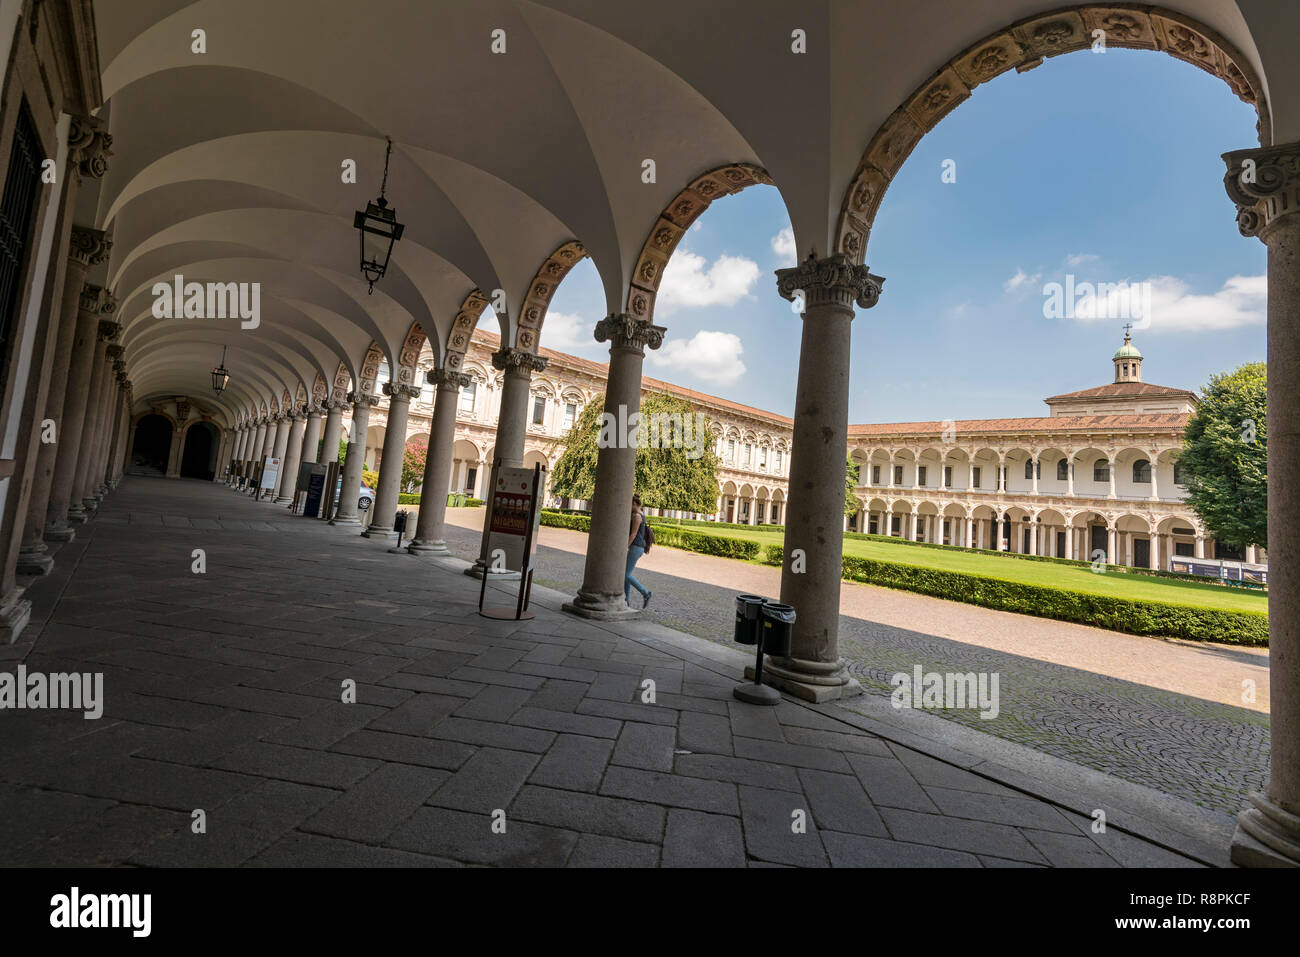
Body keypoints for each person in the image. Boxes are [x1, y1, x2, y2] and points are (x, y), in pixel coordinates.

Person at [626, 494, 652, 609]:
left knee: (625, 574)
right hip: (637, 547)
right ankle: (626, 600)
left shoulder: (637, 516)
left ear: (634, 504)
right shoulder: (639, 514)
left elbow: (634, 533)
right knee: (626, 575)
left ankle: (645, 593)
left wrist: (625, 546)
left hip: (636, 547)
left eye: (630, 504)